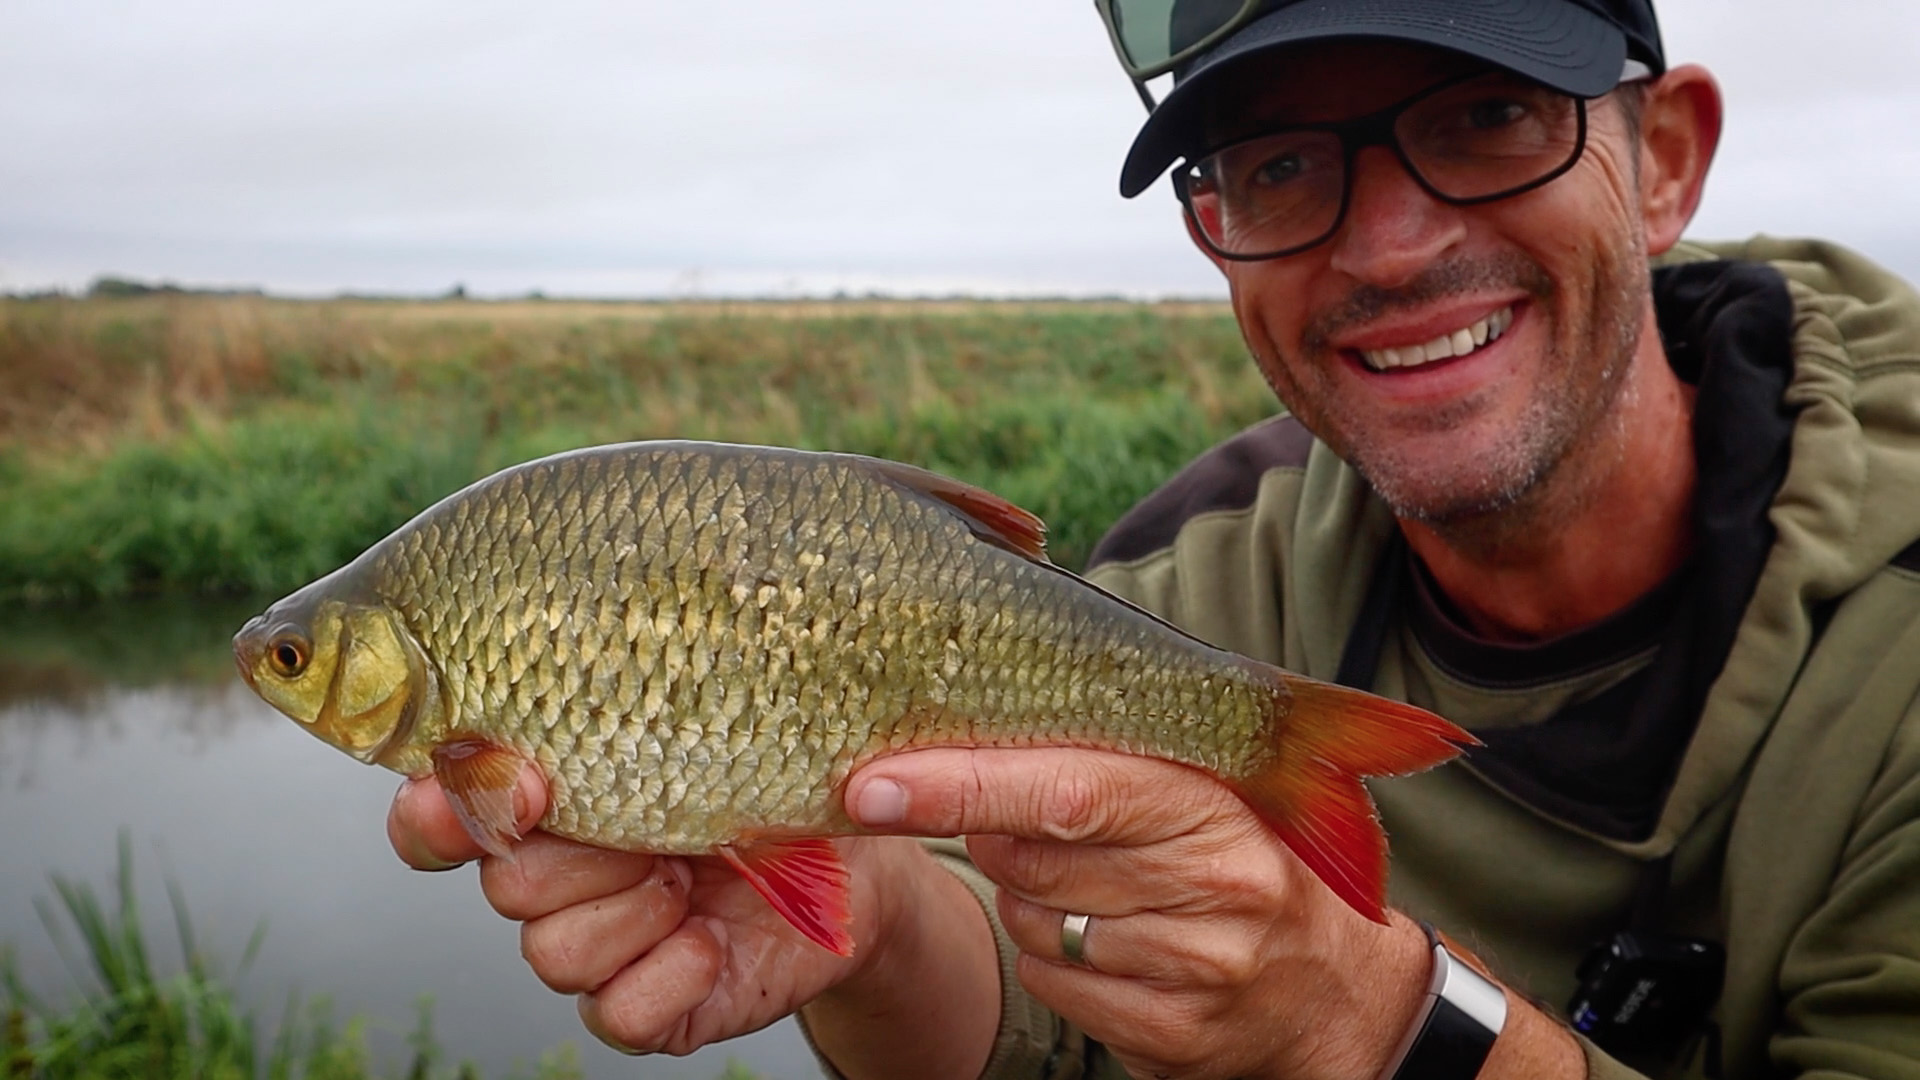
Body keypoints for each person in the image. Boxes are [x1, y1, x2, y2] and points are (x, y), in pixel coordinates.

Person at [387, 0, 1920, 1077]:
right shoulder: (1172, 586)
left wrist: (1385, 1029)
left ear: (1662, 160)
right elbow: (1053, 1031)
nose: (1387, 245)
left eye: (1486, 116)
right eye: (1276, 164)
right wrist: (881, 927)